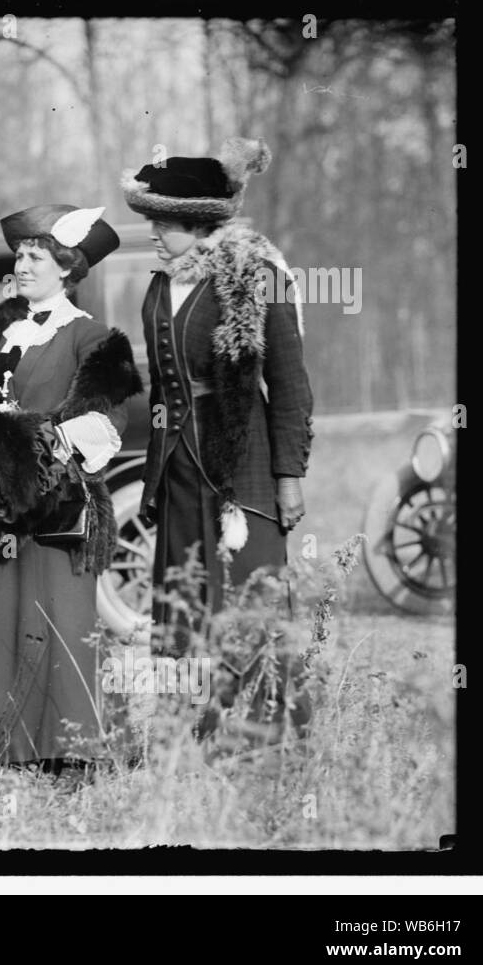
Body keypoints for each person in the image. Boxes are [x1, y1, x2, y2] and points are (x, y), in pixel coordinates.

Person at [0, 205, 143, 772]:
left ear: (66, 269)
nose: (21, 265)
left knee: (59, 619)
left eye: (35, 257)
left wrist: (29, 444)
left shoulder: (94, 339)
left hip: (55, 507)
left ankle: (71, 749)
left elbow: (104, 425)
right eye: (19, 255)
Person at [120, 138, 314, 655]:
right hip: (178, 467)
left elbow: (290, 384)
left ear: (200, 225)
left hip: (241, 464)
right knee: (186, 602)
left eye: (164, 226)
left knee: (246, 600)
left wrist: (289, 478)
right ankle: (190, 732)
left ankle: (259, 729)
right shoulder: (160, 287)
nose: (154, 236)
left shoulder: (258, 277)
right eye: (153, 224)